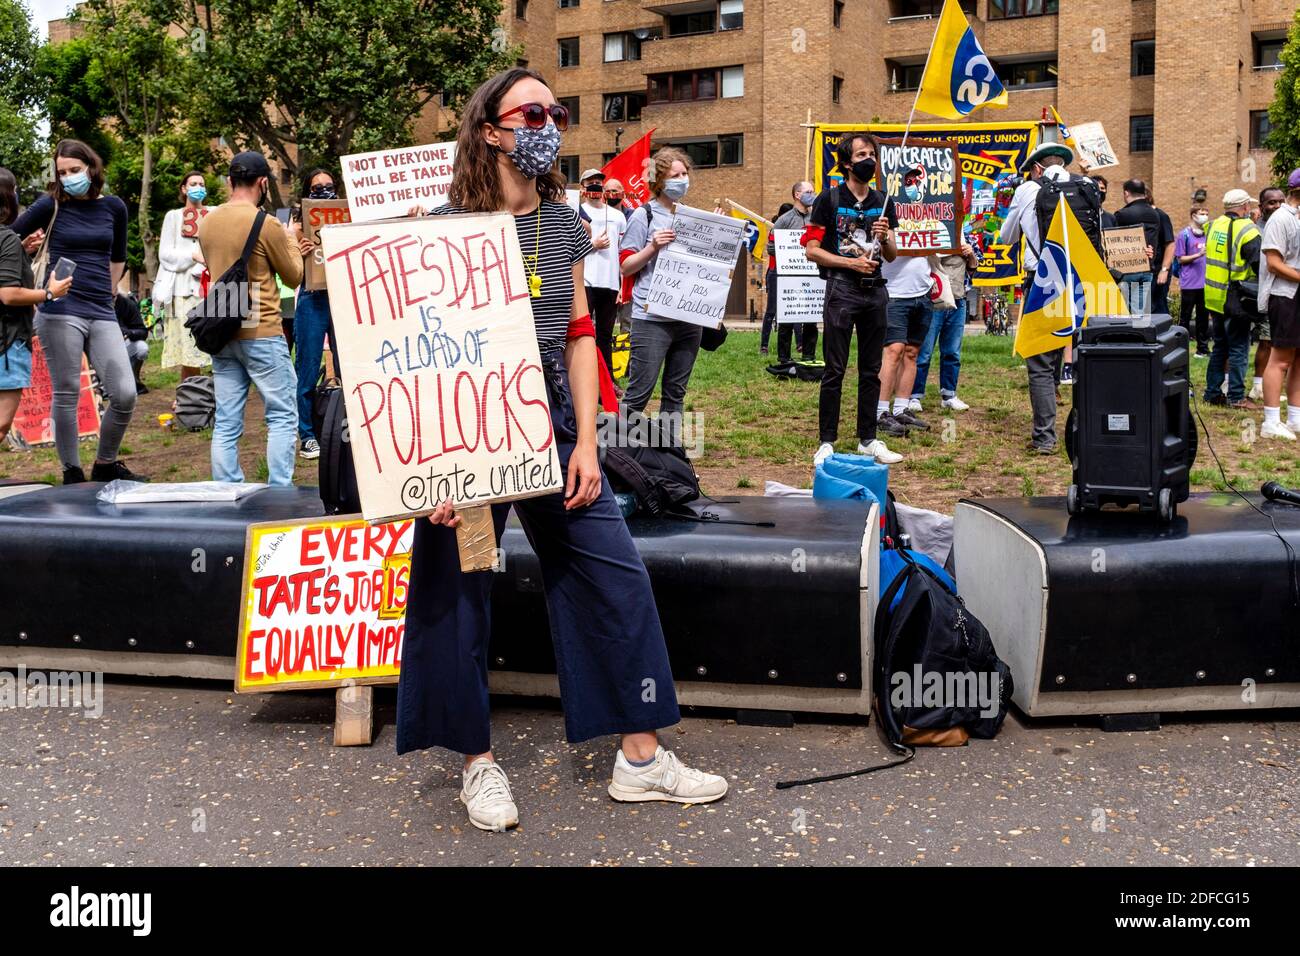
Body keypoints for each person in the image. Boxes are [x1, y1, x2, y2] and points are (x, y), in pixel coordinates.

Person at [401, 67, 726, 832]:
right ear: (491, 130)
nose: (551, 122)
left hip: (553, 420)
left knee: (612, 576)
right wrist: (436, 469)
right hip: (468, 432)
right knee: (461, 591)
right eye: (535, 111)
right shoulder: (441, 227)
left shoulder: (563, 223)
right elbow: (417, 356)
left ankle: (641, 759)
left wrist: (586, 439)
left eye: (558, 111)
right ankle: (477, 764)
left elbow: (583, 332)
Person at [13, 139, 145, 484]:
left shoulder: (114, 207)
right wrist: (25, 249)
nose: (69, 177)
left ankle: (105, 463)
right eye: (62, 173)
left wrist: (109, 296)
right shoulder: (50, 205)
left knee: (125, 392)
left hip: (101, 308)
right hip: (60, 308)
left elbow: (118, 257)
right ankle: (71, 471)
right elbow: (8, 237)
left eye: (75, 170)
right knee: (68, 390)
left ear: (91, 167)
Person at [197, 151, 305, 485]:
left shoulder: (207, 222)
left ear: (230, 182)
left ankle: (227, 490)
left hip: (222, 329)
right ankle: (279, 493)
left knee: (227, 421)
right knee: (282, 416)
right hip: (262, 330)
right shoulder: (266, 223)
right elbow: (293, 277)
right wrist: (290, 240)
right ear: (262, 183)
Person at [804, 131, 902, 465]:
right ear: (846, 163)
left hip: (875, 292)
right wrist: (850, 262)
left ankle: (868, 439)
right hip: (841, 290)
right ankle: (827, 441)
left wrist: (885, 235)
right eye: (861, 155)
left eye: (872, 154)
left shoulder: (884, 200)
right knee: (835, 368)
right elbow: (811, 251)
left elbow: (891, 253)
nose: (869, 160)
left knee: (871, 370)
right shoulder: (829, 200)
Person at [998, 141, 1102, 454]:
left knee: (1041, 365)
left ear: (1037, 167)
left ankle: (1045, 438)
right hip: (1085, 281)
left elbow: (1007, 237)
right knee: (1088, 360)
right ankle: (1090, 433)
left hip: (1045, 281)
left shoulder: (1028, 190)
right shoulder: (1084, 187)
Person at [620, 147, 704, 420]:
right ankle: (611, 453)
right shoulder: (642, 216)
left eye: (684, 173)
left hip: (689, 317)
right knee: (638, 393)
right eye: (675, 175)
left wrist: (716, 230)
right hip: (652, 317)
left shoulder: (692, 216)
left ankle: (670, 455)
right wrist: (653, 247)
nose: (682, 179)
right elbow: (625, 266)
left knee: (676, 392)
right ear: (659, 182)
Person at [0, 167, 74, 446]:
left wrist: (19, 249)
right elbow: (7, 294)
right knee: (1, 424)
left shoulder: (8, 240)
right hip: (6, 342)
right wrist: (49, 293)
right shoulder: (5, 237)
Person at [292, 167, 342, 461]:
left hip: (341, 300)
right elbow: (288, 273)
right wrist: (299, 253)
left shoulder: (347, 219)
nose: (324, 190)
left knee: (347, 365)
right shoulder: (296, 228)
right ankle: (308, 435)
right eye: (317, 187)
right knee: (308, 368)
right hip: (312, 299)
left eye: (329, 185)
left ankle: (347, 428)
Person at [1203, 189, 1262, 408]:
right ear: (1245, 207)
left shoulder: (1212, 225)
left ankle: (1212, 393)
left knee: (1220, 346)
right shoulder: (1248, 230)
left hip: (1214, 297)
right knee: (1238, 347)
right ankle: (1236, 396)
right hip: (1237, 298)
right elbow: (1259, 264)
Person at [155, 171, 211, 389]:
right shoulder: (174, 216)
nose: (198, 187)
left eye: (201, 183)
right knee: (189, 349)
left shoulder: (213, 214)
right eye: (193, 183)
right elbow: (166, 255)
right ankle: (188, 396)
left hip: (208, 289)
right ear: (184, 189)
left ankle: (204, 396)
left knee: (208, 346)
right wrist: (192, 256)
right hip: (182, 290)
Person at [912, 239, 980, 412]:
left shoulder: (967, 237)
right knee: (924, 352)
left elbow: (974, 268)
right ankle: (914, 395)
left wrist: (969, 253)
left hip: (958, 300)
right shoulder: (931, 232)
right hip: (934, 300)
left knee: (952, 352)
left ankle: (949, 395)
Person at [1257, 171, 1300, 439]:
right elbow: (1274, 263)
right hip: (1285, 296)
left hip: (1296, 294)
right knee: (1281, 359)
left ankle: (1295, 417)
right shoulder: (1281, 219)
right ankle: (1270, 422)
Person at [577, 167, 625, 375]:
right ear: (582, 188)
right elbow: (570, 247)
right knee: (584, 334)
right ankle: (584, 378)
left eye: (599, 181)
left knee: (605, 335)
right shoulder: (575, 212)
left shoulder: (617, 216)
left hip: (611, 283)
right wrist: (592, 244)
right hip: (585, 281)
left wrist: (624, 285)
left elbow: (623, 252)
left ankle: (608, 381)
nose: (595, 185)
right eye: (590, 182)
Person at [765, 181, 819, 363]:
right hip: (789, 277)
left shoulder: (817, 218)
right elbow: (770, 247)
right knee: (786, 318)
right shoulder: (783, 220)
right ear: (797, 194)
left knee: (811, 318)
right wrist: (790, 250)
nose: (813, 194)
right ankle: (784, 358)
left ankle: (809, 356)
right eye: (809, 191)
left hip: (813, 277)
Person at [879, 254, 932, 435]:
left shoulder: (931, 223)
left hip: (923, 292)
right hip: (893, 292)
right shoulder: (887, 224)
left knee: (911, 353)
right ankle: (881, 412)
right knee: (893, 351)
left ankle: (901, 409)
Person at [1250, 186, 1289, 399]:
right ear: (1261, 206)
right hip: (1265, 291)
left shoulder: (1286, 223)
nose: (1277, 206)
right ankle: (1258, 385)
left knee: (1277, 342)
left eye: (1280, 201)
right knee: (1266, 341)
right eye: (1272, 202)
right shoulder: (1258, 230)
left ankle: (1267, 386)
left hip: (1284, 294)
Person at [1113, 179, 1169, 316]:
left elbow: (1113, 242)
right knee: (1139, 314)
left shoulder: (1122, 214)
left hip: (1126, 269)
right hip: (1147, 269)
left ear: (1126, 193)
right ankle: (1137, 337)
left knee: (1123, 312)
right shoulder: (1155, 214)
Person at [1174, 205, 1212, 357]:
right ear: (1193, 215)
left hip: (1205, 283)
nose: (1205, 216)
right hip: (1189, 283)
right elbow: (1181, 258)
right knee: (1185, 317)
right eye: (1201, 213)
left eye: (1206, 213)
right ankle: (1180, 349)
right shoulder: (1184, 235)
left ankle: (1202, 349)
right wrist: (1198, 254)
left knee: (1203, 318)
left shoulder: (1208, 234)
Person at [1147, 188, 1176, 315]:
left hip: (1159, 271)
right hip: (1147, 272)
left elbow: (1170, 244)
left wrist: (1164, 271)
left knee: (1159, 307)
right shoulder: (1143, 216)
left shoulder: (1161, 216)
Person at [114, 291, 149, 394]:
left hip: (123, 344)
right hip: (99, 349)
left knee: (142, 348)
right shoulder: (94, 304)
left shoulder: (127, 304)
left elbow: (143, 332)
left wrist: (128, 333)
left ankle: (133, 382)